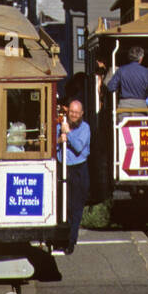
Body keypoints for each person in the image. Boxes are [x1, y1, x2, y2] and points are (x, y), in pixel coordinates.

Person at [57, 99, 91, 255]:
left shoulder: (85, 128)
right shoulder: (60, 126)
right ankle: (62, 238)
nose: (74, 115)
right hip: (63, 167)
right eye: (72, 112)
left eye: (77, 113)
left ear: (81, 113)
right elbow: (53, 145)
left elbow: (78, 147)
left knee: (76, 207)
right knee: (64, 205)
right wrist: (60, 138)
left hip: (78, 169)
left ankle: (71, 241)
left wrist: (68, 134)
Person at [105, 45, 148, 111]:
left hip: (124, 106)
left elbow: (111, 87)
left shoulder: (121, 70)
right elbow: (147, 91)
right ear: (141, 58)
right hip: (140, 105)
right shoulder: (146, 72)